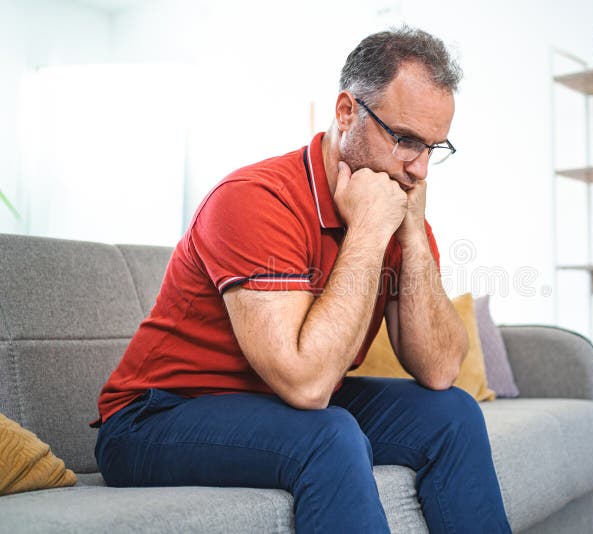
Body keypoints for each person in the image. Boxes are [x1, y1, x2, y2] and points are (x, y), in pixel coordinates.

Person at [92, 26, 511, 533]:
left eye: (433, 147)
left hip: (275, 404)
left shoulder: (394, 201)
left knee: (454, 414)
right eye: (405, 140)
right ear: (346, 111)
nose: (420, 170)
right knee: (329, 434)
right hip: (158, 416)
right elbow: (307, 384)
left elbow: (440, 370)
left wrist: (414, 236)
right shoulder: (255, 198)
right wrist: (368, 232)